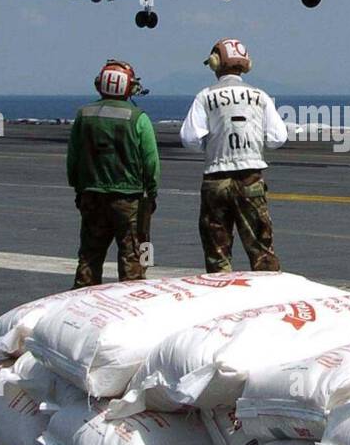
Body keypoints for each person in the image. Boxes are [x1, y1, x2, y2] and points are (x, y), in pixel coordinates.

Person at [180, 38, 288, 272]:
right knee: (263, 253)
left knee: (217, 257)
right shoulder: (260, 96)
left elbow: (189, 138)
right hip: (251, 178)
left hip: (216, 178)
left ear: (215, 62)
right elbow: (278, 137)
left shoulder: (205, 96)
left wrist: (211, 145)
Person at [67, 59, 160, 287]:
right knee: (132, 259)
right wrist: (152, 192)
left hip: (92, 195)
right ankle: (130, 308)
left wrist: (79, 188)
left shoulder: (84, 115)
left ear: (100, 84)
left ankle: (81, 308)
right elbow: (151, 161)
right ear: (129, 87)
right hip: (129, 200)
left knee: (89, 257)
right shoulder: (138, 118)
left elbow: (73, 158)